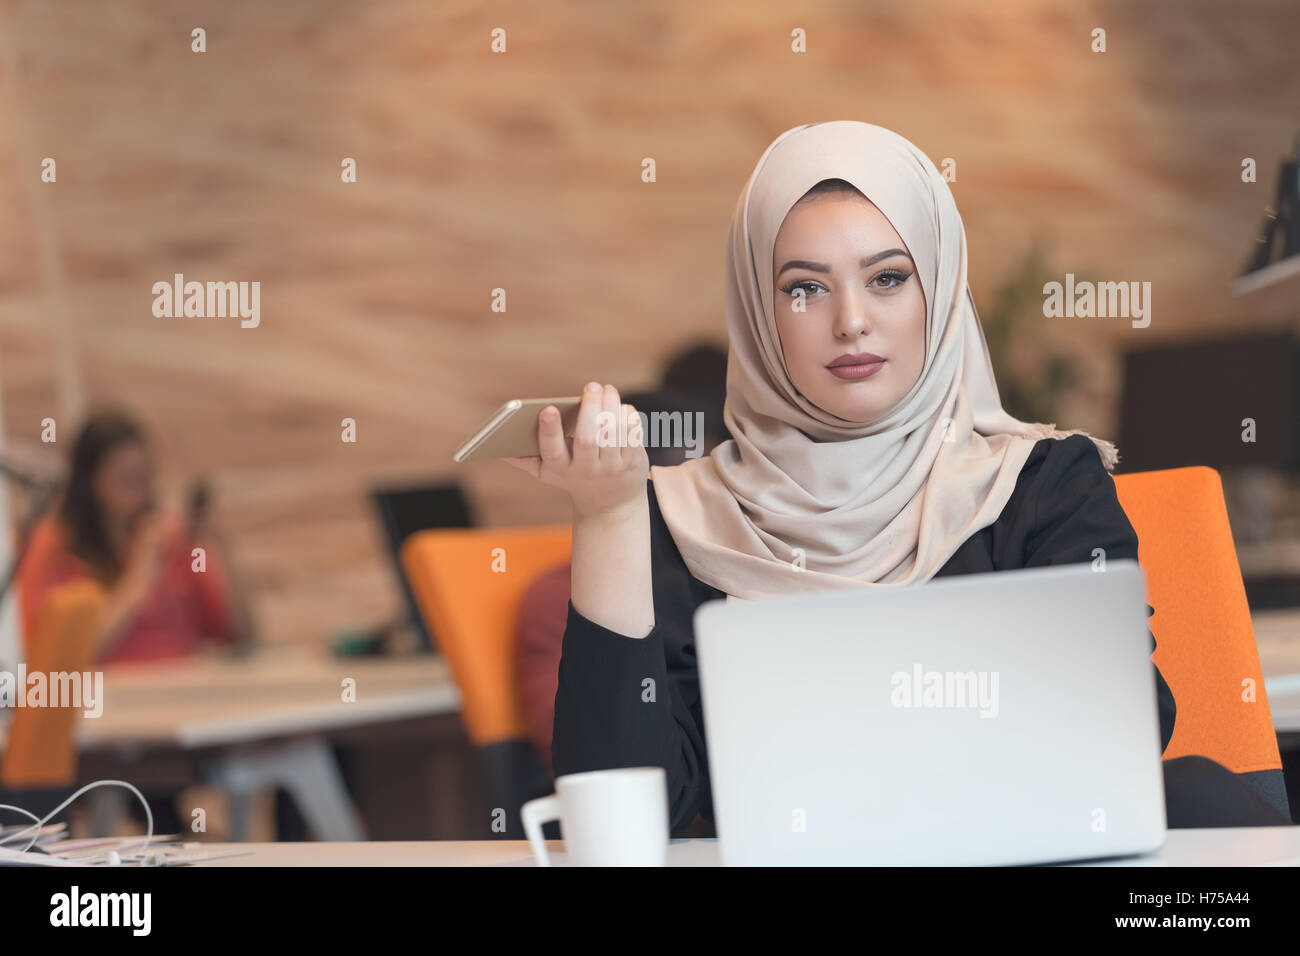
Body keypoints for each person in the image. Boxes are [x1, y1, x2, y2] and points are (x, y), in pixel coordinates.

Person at [505, 121, 1292, 836]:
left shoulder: (1043, 483)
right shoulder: (676, 521)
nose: (850, 319)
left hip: (1023, 855)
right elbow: (621, 810)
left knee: (1196, 794)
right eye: (803, 288)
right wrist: (608, 519)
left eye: (887, 277)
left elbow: (1123, 728)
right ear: (758, 310)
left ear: (938, 292)